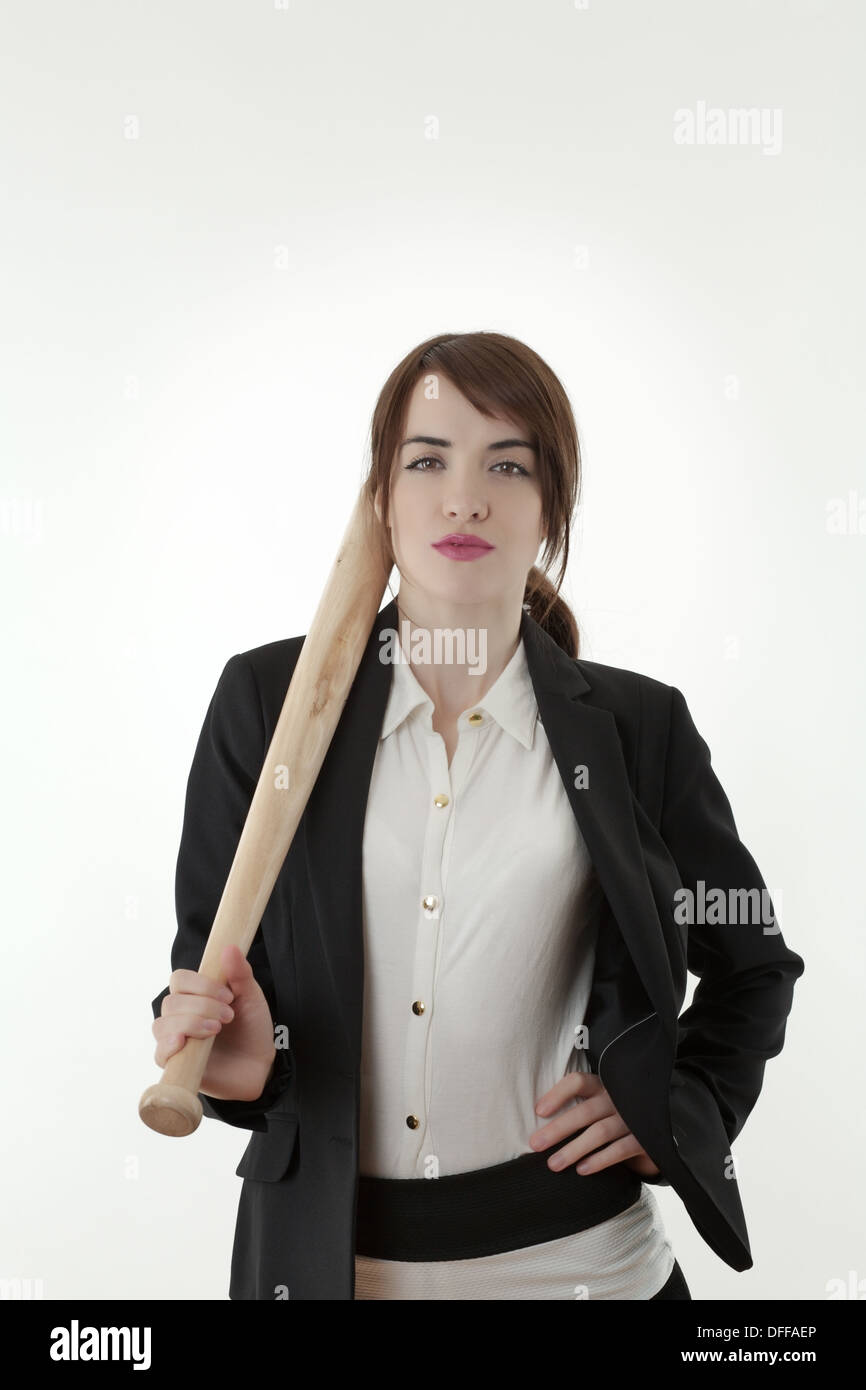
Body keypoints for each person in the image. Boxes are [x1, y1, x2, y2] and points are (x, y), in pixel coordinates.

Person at [151, 331, 805, 1300]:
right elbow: (208, 973)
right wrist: (244, 1068)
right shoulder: (264, 703)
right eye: (427, 461)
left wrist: (677, 1107)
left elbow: (752, 964)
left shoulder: (637, 727)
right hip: (327, 1268)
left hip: (587, 1268)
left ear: (552, 506)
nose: (463, 498)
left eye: (507, 464)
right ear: (380, 497)